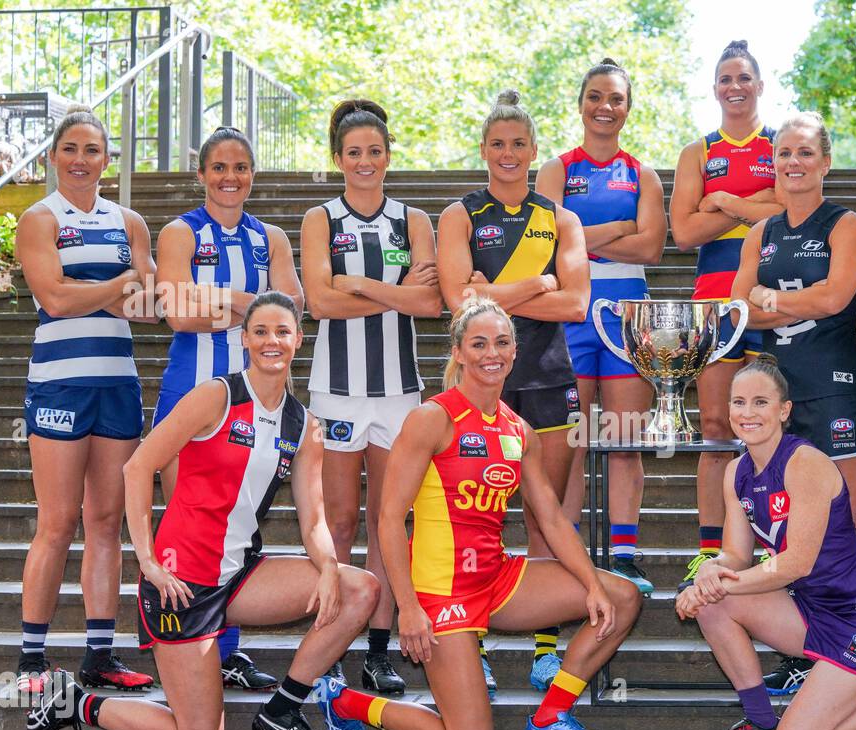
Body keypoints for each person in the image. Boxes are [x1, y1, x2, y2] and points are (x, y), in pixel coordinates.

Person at [26, 293, 380, 730]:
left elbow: (313, 518)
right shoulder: (216, 395)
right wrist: (148, 560)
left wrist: (330, 569)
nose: (272, 341)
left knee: (361, 589)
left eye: (282, 332)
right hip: (181, 583)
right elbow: (138, 467)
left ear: (298, 339)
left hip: (239, 575)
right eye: (261, 332)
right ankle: (74, 703)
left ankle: (281, 711)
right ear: (245, 339)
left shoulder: (303, 425)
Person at [312, 299, 642, 730]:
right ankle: (345, 702)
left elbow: (549, 516)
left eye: (502, 343)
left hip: (497, 577)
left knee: (622, 597)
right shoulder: (433, 417)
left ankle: (549, 720)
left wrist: (592, 585)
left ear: (514, 351)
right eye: (479, 343)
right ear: (459, 352)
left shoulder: (519, 430)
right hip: (442, 591)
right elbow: (388, 520)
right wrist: (407, 607)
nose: (493, 353)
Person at [675, 354, 856, 730]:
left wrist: (715, 585)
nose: (748, 413)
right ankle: (760, 721)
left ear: (784, 410)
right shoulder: (735, 473)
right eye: (739, 402)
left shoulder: (805, 463)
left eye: (761, 402)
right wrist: (709, 572)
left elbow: (797, 563)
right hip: (809, 611)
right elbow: (735, 554)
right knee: (714, 604)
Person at [437, 90, 590, 695]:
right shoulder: (461, 214)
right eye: (497, 143)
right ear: (484, 150)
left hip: (550, 377)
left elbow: (575, 303)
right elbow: (456, 302)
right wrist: (537, 280)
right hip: (476, 384)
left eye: (518, 144)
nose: (508, 153)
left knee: (546, 515)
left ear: (533, 150)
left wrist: (490, 290)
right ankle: (469, 642)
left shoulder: (562, 218)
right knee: (472, 517)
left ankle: (546, 650)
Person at [301, 99, 443, 696]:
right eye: (354, 152)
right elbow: (318, 302)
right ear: (338, 159)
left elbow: (431, 304)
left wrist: (356, 281)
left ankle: (378, 653)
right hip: (335, 392)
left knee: (390, 520)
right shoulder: (318, 219)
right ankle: (331, 644)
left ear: (389, 156)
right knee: (338, 518)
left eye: (375, 151)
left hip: (397, 394)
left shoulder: (412, 220)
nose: (365, 161)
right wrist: (395, 292)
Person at [14, 106, 158, 695]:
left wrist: (92, 292)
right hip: (59, 382)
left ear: (106, 158)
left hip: (117, 380)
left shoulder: (130, 222)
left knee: (105, 522)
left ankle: (99, 656)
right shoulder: (38, 218)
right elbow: (52, 298)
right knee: (57, 522)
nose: (80, 160)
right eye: (70, 148)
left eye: (92, 150)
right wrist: (112, 288)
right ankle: (29, 658)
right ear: (53, 155)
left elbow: (145, 299)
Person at [154, 125, 303, 691]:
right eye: (219, 166)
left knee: (240, 523)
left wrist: (226, 305)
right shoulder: (180, 231)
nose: (230, 177)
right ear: (201, 174)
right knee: (185, 523)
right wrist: (254, 307)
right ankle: (184, 643)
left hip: (255, 401)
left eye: (240, 167)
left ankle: (228, 649)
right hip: (188, 392)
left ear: (252, 175)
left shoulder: (272, 238)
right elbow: (175, 310)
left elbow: (291, 311)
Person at [729, 112, 856, 697]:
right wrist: (787, 302)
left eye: (805, 153)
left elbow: (839, 299)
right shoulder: (760, 233)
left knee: (836, 527)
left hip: (832, 388)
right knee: (782, 530)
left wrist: (774, 299)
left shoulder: (846, 225)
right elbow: (739, 314)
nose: (793, 163)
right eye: (784, 154)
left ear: (825, 161)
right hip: (776, 397)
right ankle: (804, 649)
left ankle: (851, 641)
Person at [535, 58, 665, 598]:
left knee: (623, 435)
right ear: (581, 102)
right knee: (572, 438)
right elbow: (545, 242)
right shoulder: (556, 169)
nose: (604, 106)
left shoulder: (644, 174)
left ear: (628, 107)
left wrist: (580, 233)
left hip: (627, 310)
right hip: (571, 307)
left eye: (615, 97)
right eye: (595, 96)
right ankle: (565, 553)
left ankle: (625, 553)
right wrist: (616, 227)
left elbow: (652, 247)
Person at [670, 40, 783, 593]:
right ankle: (708, 553)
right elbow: (685, 232)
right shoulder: (699, 151)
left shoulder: (781, 143)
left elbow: (793, 207)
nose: (734, 86)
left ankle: (776, 550)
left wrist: (725, 203)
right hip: (713, 301)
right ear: (715, 87)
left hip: (770, 296)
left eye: (744, 77)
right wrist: (755, 201)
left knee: (778, 428)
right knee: (717, 427)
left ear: (760, 84)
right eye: (724, 78)